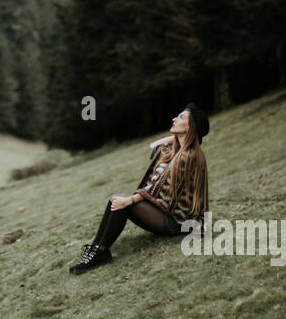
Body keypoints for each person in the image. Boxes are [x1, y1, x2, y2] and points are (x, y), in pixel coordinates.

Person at [69, 103, 210, 274]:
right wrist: (173, 137)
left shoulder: (188, 157)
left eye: (180, 118)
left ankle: (100, 252)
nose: (174, 119)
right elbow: (154, 147)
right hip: (169, 212)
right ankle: (95, 248)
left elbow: (156, 188)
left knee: (123, 204)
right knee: (116, 200)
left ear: (190, 127)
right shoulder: (181, 150)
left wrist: (129, 200)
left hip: (178, 222)